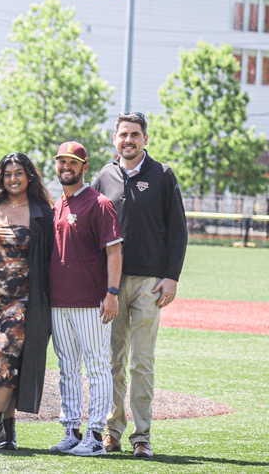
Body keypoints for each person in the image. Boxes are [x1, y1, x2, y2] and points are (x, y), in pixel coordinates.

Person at [92, 112, 188, 459]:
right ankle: (112, 431)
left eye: (135, 134)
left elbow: (178, 230)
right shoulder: (104, 175)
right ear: (114, 139)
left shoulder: (162, 175)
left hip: (150, 282)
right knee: (113, 361)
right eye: (122, 135)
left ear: (145, 139)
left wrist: (171, 276)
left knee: (142, 362)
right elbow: (94, 232)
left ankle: (142, 435)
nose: (128, 140)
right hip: (112, 285)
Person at [0, 152, 54, 450]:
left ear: (29, 176)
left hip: (23, 301)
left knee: (5, 357)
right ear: (0, 178)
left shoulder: (43, 212)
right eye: (7, 174)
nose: (13, 178)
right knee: (0, 365)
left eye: (19, 173)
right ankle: (9, 432)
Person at [48, 141, 122, 457]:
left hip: (91, 301)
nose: (66, 167)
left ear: (84, 166)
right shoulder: (58, 204)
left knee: (97, 365)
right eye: (62, 161)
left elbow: (115, 251)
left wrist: (112, 293)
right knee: (67, 366)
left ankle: (94, 434)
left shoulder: (99, 203)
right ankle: (71, 430)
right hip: (59, 300)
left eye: (73, 162)